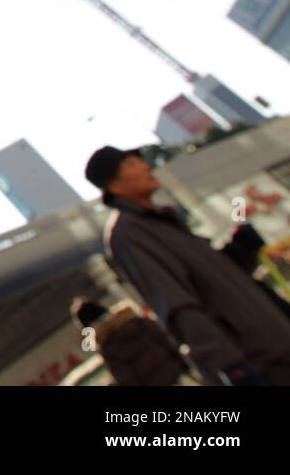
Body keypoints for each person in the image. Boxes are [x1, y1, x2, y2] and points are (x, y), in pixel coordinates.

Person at [86, 145, 290, 385]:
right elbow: (176, 304)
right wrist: (232, 367)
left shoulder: (161, 220)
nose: (145, 167)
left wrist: (239, 250)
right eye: (131, 165)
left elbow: (214, 284)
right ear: (114, 186)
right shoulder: (129, 235)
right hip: (260, 361)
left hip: (275, 344)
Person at [70, 297, 192, 386]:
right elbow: (168, 341)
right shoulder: (137, 321)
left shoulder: (108, 346)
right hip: (178, 375)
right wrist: (185, 365)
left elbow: (126, 379)